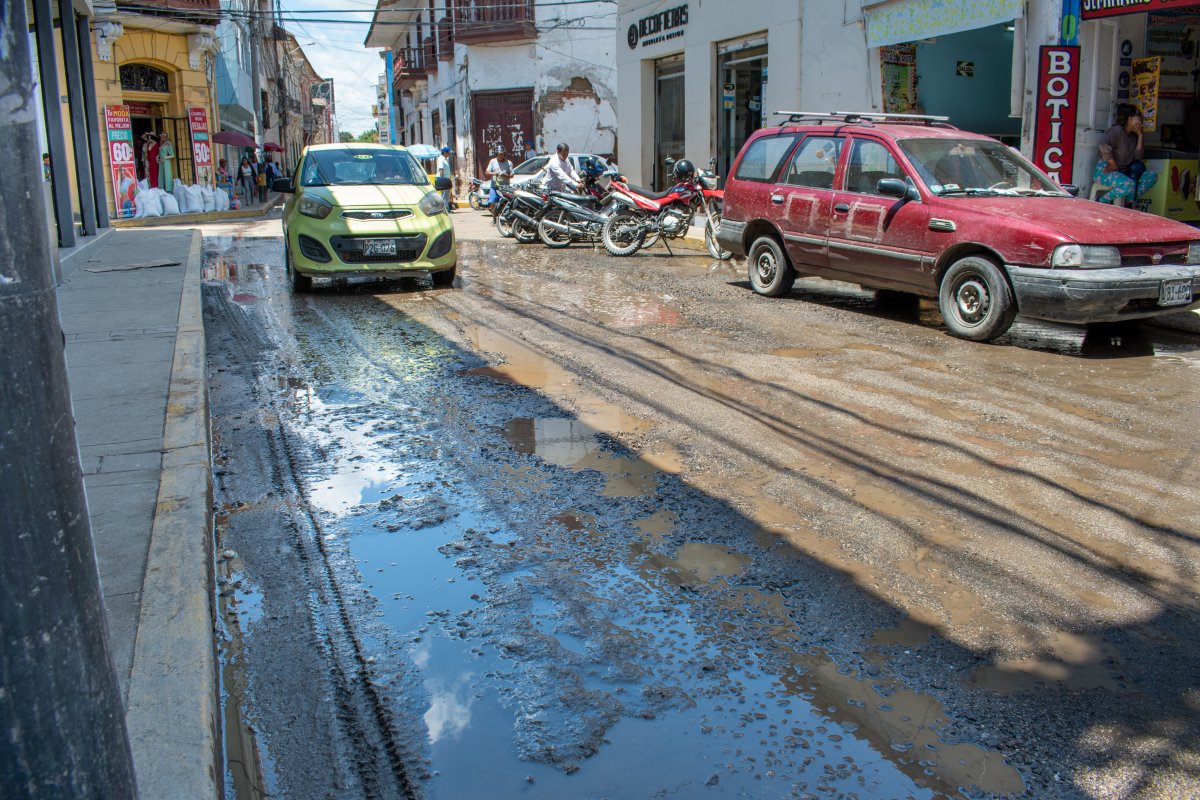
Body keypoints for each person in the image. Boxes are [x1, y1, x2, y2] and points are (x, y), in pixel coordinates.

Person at [1093, 104, 1157, 204]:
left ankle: (1128, 201)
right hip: (1105, 171)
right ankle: (1100, 202)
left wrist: (1141, 134)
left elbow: (1138, 157)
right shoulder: (1117, 130)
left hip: (1122, 173)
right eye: (1139, 116)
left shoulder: (1133, 137)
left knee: (1151, 176)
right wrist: (1112, 163)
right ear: (1130, 119)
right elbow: (1103, 146)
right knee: (1129, 185)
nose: (1141, 119)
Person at [436, 146, 454, 210]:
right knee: (444, 195)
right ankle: (444, 208)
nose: (449, 154)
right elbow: (441, 170)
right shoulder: (441, 159)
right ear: (445, 153)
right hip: (443, 180)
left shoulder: (444, 159)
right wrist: (442, 180)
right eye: (448, 152)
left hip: (445, 180)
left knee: (446, 195)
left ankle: (446, 208)